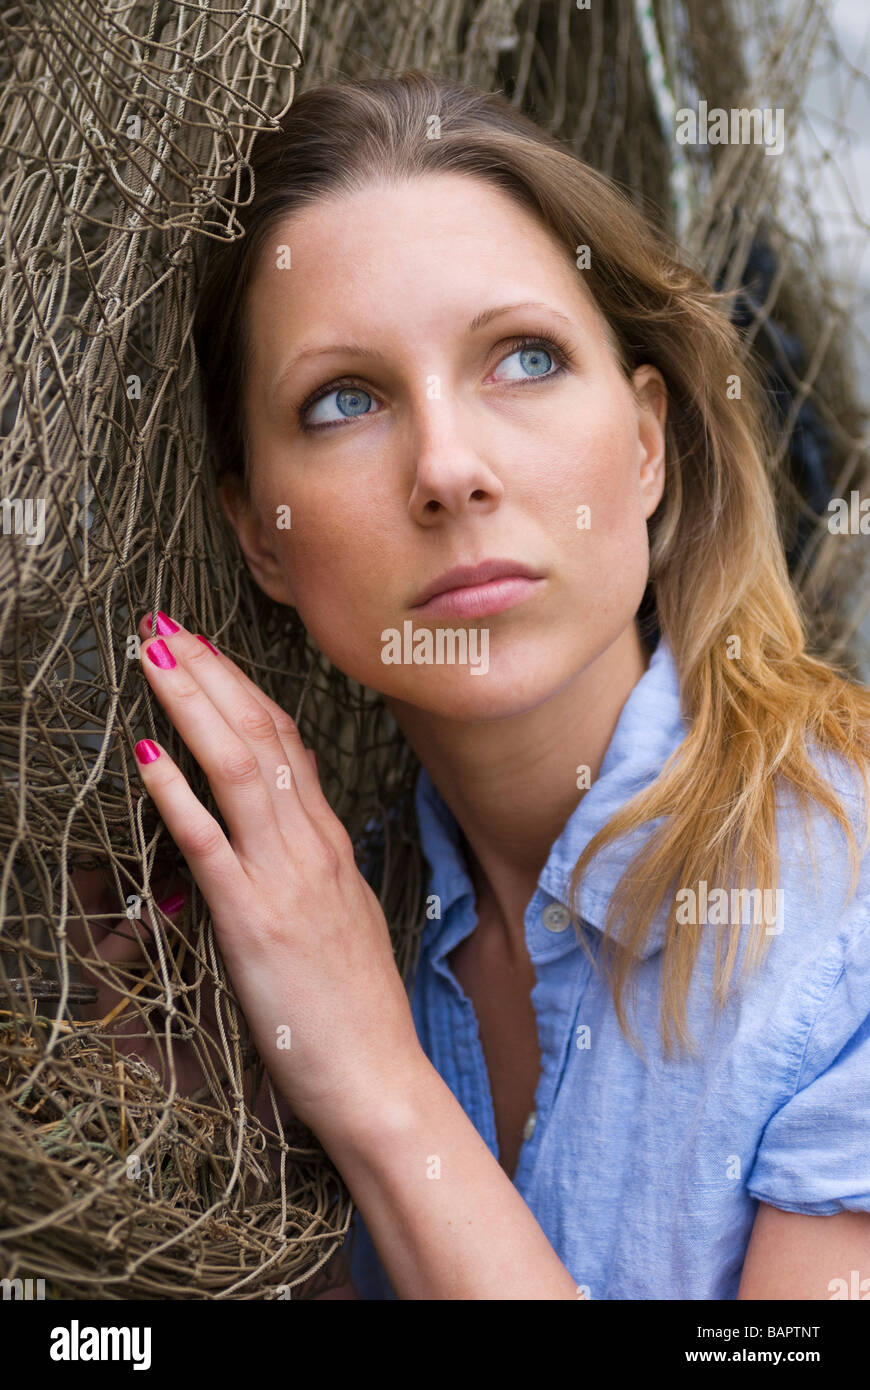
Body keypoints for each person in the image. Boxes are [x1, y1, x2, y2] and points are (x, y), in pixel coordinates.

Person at [80, 70, 870, 1299]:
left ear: (650, 440)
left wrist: (379, 1088)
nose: (448, 468)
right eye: (345, 400)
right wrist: (250, 1164)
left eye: (525, 359)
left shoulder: (849, 915)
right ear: (260, 536)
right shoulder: (335, 920)